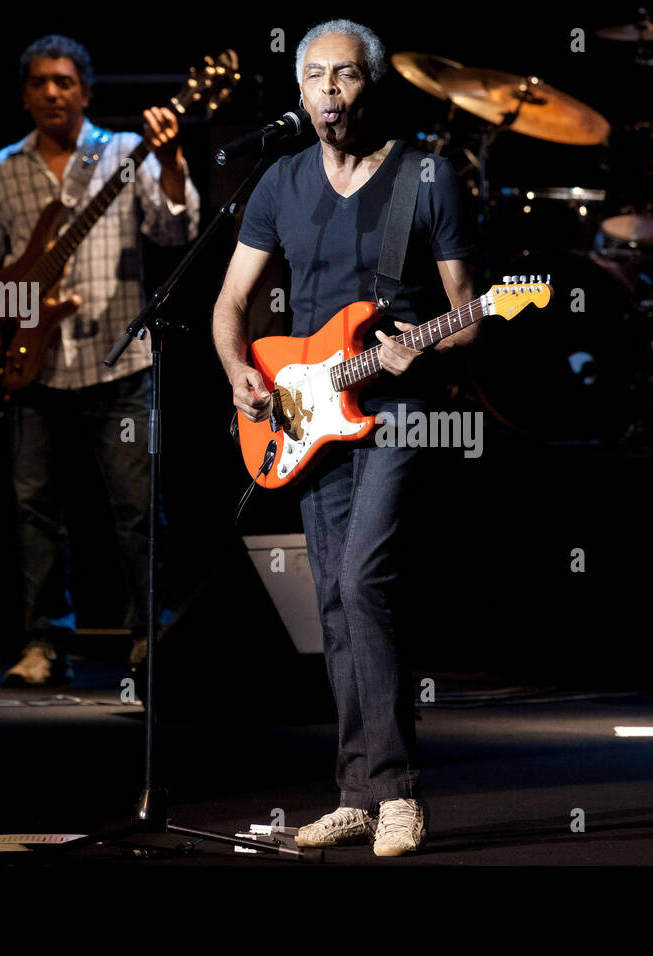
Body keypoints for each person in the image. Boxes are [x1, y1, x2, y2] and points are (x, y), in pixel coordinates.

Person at [212, 19, 477, 856]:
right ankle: (355, 793)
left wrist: (421, 342)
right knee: (330, 605)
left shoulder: (424, 176)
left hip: (399, 408)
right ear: (299, 92)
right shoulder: (280, 181)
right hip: (309, 413)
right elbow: (230, 304)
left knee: (364, 582)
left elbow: (471, 315)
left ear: (372, 86)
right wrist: (239, 374)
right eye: (316, 76)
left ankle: (399, 792)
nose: (330, 90)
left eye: (347, 76)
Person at [0, 35, 200, 686]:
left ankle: (151, 637)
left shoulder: (121, 153)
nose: (52, 92)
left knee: (138, 507)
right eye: (38, 82)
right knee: (33, 512)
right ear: (25, 95)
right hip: (32, 365)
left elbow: (176, 231)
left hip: (119, 358)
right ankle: (42, 643)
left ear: (85, 91)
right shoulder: (0, 171)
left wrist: (170, 163)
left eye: (63, 81)